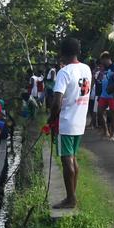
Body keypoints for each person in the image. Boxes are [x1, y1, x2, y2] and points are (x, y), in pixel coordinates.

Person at [46, 37, 92, 209]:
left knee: (67, 161)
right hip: (80, 121)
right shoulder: (86, 69)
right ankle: (72, 195)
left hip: (66, 123)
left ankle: (70, 198)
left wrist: (51, 119)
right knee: (73, 159)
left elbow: (57, 103)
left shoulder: (64, 73)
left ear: (62, 53)